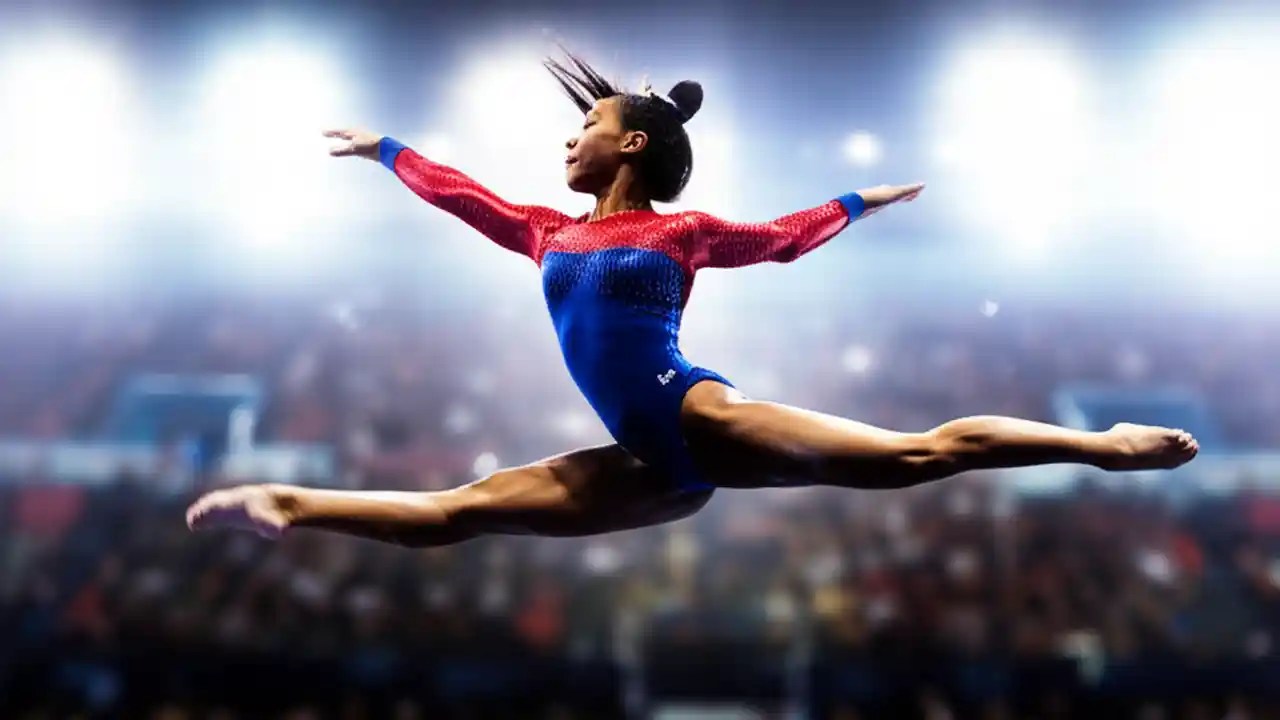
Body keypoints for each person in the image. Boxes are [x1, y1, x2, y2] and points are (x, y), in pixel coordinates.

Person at [187, 52, 1197, 546]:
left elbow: (782, 238)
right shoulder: (546, 230)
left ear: (630, 143)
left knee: (915, 455)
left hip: (694, 413)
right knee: (461, 514)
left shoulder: (682, 231)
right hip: (652, 469)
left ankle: (1102, 445)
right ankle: (284, 503)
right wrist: (388, 150)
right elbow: (463, 196)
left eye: (586, 125)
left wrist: (859, 200)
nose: (568, 138)